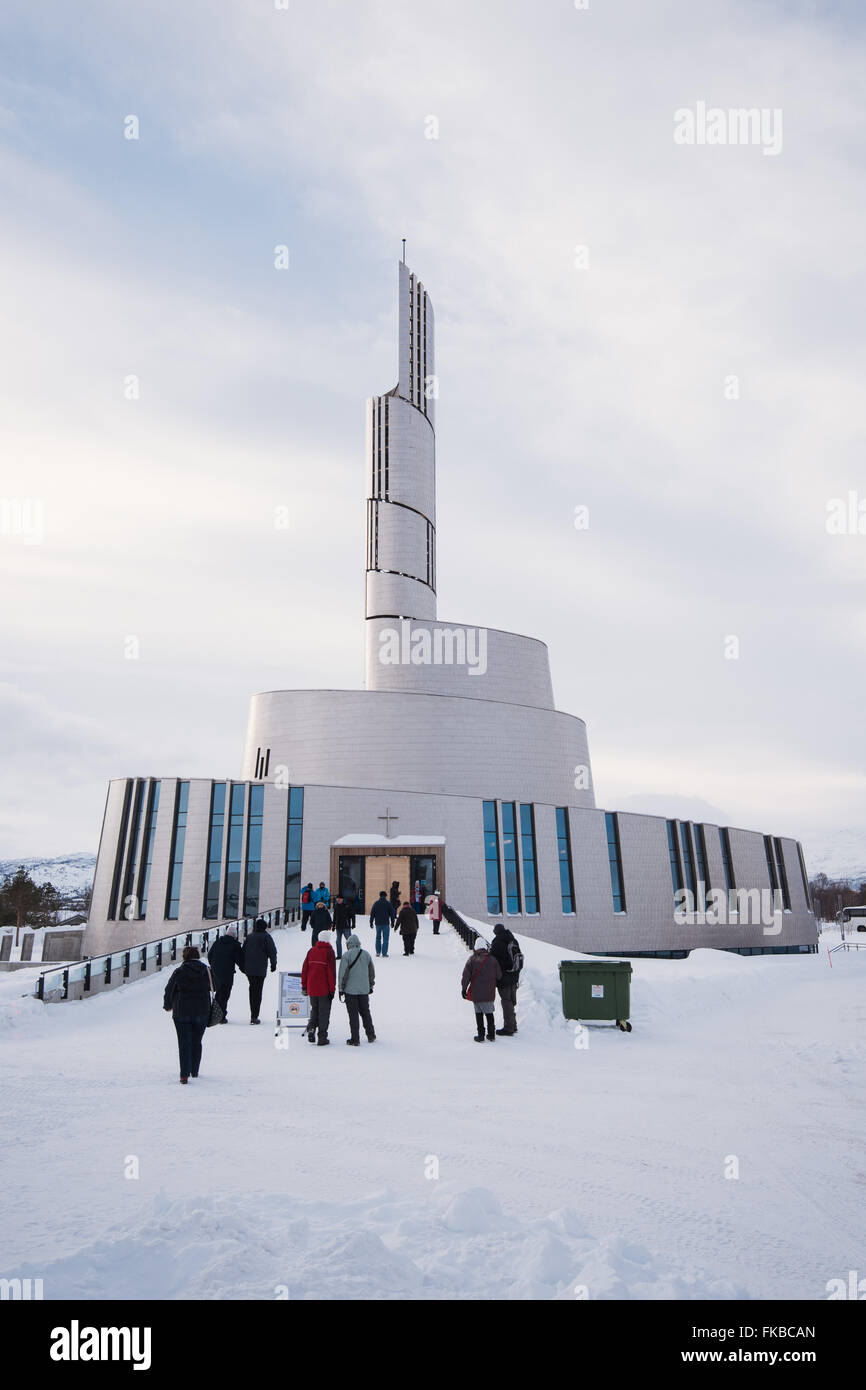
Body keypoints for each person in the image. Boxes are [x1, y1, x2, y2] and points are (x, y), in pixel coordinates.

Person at [163, 946, 213, 1082]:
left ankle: (184, 1074)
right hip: (202, 1011)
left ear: (184, 957)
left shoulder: (179, 972)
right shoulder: (206, 970)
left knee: (184, 1042)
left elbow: (169, 990)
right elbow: (216, 985)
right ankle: (195, 1071)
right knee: (197, 1041)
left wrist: (167, 1005)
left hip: (182, 1012)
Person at [461, 936, 502, 1042]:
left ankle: (480, 1035)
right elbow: (499, 975)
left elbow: (466, 976)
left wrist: (464, 989)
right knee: (489, 1014)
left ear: (476, 947)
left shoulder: (472, 959)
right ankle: (491, 1034)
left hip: (476, 993)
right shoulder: (493, 960)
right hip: (489, 993)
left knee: (478, 1014)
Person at [301, 923, 336, 1046]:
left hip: (312, 987)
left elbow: (305, 969)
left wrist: (304, 985)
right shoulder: (329, 952)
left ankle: (311, 1029)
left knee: (314, 1010)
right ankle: (322, 1037)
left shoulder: (311, 951)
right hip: (324, 989)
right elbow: (331, 973)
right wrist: (332, 989)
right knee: (324, 1012)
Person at [338, 932, 376, 1045]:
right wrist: (370, 985)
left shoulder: (346, 955)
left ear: (349, 944)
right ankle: (371, 1034)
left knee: (353, 1015)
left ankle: (355, 1039)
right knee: (365, 1012)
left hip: (350, 991)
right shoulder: (366, 954)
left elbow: (342, 974)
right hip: (364, 990)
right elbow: (371, 972)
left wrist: (341, 988)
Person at [240, 916, 277, 1024]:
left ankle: (253, 1014)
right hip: (260, 969)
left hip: (249, 970)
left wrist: (243, 966)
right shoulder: (266, 937)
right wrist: (273, 964)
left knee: (252, 990)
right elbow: (272, 951)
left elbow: (243, 952)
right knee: (258, 991)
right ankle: (254, 1016)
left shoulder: (250, 937)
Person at [489, 923, 523, 1035]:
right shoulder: (513, 940)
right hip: (514, 975)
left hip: (504, 977)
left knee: (506, 1001)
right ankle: (513, 1025)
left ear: (496, 932)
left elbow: (493, 960)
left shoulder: (497, 942)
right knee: (511, 1001)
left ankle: (508, 1028)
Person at [207, 924, 242, 1022]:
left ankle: (215, 1014)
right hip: (227, 974)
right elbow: (239, 960)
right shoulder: (235, 945)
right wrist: (245, 970)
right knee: (225, 994)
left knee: (218, 993)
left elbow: (210, 955)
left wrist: (214, 966)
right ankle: (220, 1016)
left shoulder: (217, 942)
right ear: (235, 935)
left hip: (216, 973)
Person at [369, 890, 396, 958]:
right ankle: (384, 953)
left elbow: (372, 913)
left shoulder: (376, 903)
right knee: (385, 939)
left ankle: (378, 952)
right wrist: (393, 922)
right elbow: (392, 914)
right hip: (386, 924)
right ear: (386, 896)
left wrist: (371, 922)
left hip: (378, 924)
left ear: (380, 896)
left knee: (378, 938)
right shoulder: (388, 903)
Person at [332, 894, 353, 959]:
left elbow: (352, 915)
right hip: (338, 927)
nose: (338, 900)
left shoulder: (347, 905)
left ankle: (351, 954)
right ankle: (339, 955)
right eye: (337, 898)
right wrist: (333, 925)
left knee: (349, 941)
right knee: (338, 941)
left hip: (346, 926)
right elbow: (335, 916)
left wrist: (353, 923)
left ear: (343, 899)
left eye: (339, 898)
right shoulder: (336, 906)